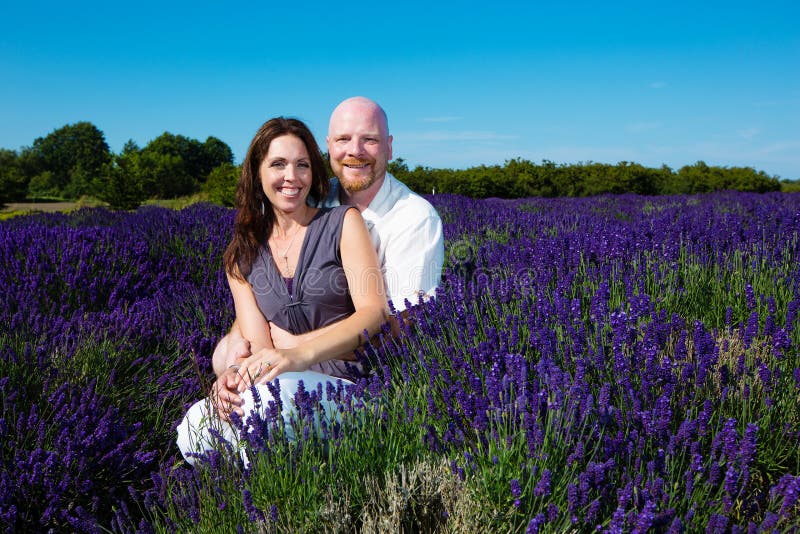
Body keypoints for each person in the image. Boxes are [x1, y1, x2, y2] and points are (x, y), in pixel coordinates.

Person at [176, 117, 388, 464]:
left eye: (302, 165)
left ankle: (275, 507)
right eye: (278, 164)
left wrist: (298, 354)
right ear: (257, 174)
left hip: (345, 384)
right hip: (277, 383)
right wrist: (231, 379)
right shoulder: (240, 255)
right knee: (194, 429)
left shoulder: (343, 223)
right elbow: (258, 347)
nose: (292, 176)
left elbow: (374, 313)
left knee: (263, 420)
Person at [210, 96, 444, 402]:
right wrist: (235, 360)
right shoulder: (311, 198)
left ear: (389, 146)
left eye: (369, 140)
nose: (354, 151)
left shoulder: (414, 219)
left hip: (370, 375)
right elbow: (263, 298)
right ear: (328, 146)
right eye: (344, 139)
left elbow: (398, 326)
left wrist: (293, 347)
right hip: (291, 369)